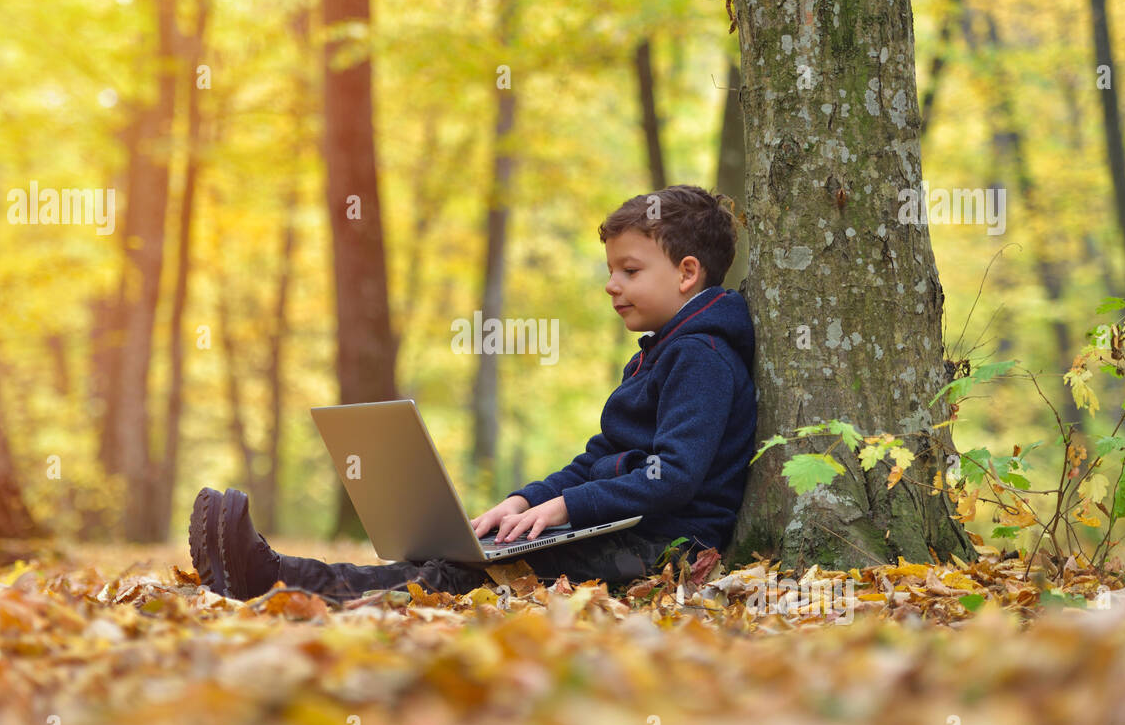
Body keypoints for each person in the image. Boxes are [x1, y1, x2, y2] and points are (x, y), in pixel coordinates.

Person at [188, 184, 757, 603]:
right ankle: (282, 575)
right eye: (610, 269)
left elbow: (676, 473)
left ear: (686, 273)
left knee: (474, 575)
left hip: (666, 549)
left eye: (629, 270)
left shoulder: (700, 356)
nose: (611, 284)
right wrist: (527, 500)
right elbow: (594, 460)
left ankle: (279, 581)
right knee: (460, 555)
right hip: (630, 530)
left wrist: (566, 508)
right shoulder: (659, 354)